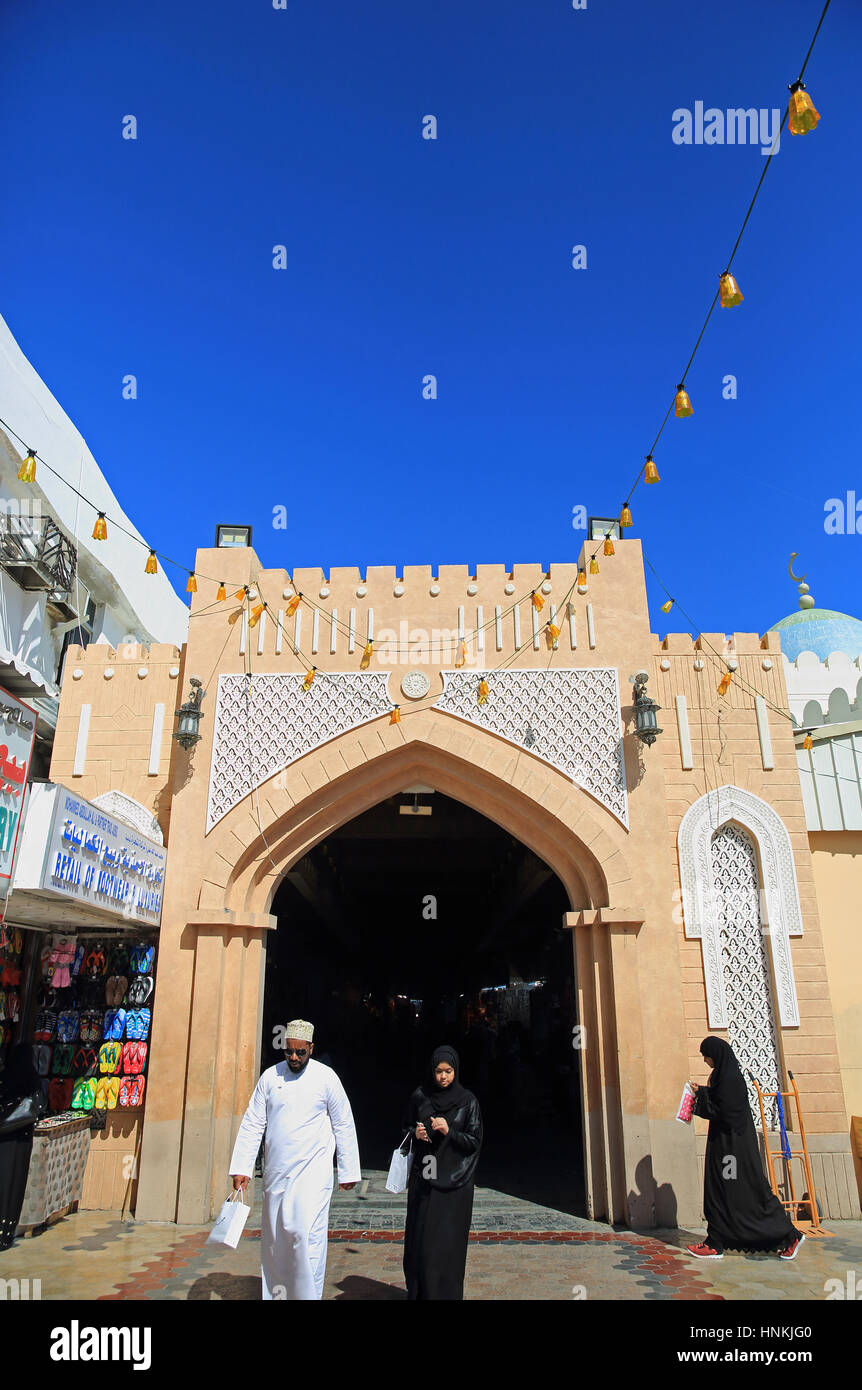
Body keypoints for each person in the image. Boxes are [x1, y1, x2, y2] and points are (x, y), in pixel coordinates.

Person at [229, 1020, 361, 1300]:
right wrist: (242, 1167)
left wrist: (348, 1171)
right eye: (289, 1051)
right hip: (277, 1176)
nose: (294, 1058)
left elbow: (343, 1123)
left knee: (306, 1239)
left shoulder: (326, 1078)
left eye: (300, 1052)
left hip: (312, 1176)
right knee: (277, 1241)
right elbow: (254, 1123)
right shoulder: (270, 1078)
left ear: (311, 1048)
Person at [686, 1036, 804, 1260]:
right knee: (722, 1191)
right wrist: (701, 1092)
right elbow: (720, 1101)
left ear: (716, 1054)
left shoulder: (730, 1078)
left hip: (733, 1153)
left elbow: (725, 1111)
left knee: (743, 1193)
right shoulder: (723, 1075)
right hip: (725, 1147)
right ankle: (715, 1241)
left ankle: (790, 1235)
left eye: (706, 1055)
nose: (705, 1060)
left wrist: (699, 1102)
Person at [402, 1045, 482, 1300]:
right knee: (420, 1246)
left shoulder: (468, 1101)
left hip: (455, 1187)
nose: (443, 1077)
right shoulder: (420, 1096)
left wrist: (450, 1132)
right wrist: (416, 1133)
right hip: (424, 1182)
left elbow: (474, 1141)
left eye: (448, 1071)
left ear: (455, 1071)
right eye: (439, 1071)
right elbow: (404, 1128)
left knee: (447, 1249)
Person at [0, 1045, 45, 1249]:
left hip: (5, 1138)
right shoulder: (32, 1080)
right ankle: (7, 1231)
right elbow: (38, 1106)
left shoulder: (6, 1077)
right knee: (15, 1183)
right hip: (22, 1139)